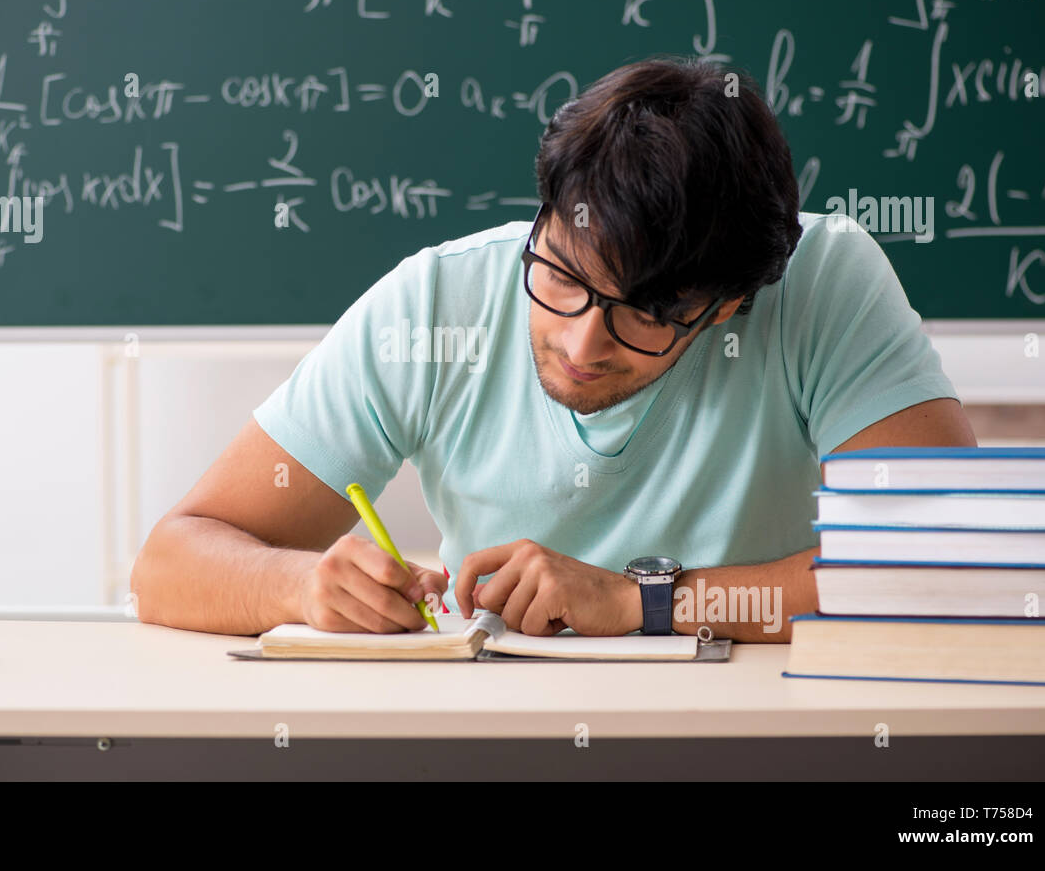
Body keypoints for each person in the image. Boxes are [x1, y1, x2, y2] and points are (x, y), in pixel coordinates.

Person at [130, 57, 975, 644]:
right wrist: (300, 586)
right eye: (563, 277)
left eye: (646, 314)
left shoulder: (824, 280)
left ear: (730, 306)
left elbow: (936, 560)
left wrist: (642, 601)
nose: (580, 343)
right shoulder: (436, 304)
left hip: (764, 739)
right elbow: (170, 562)